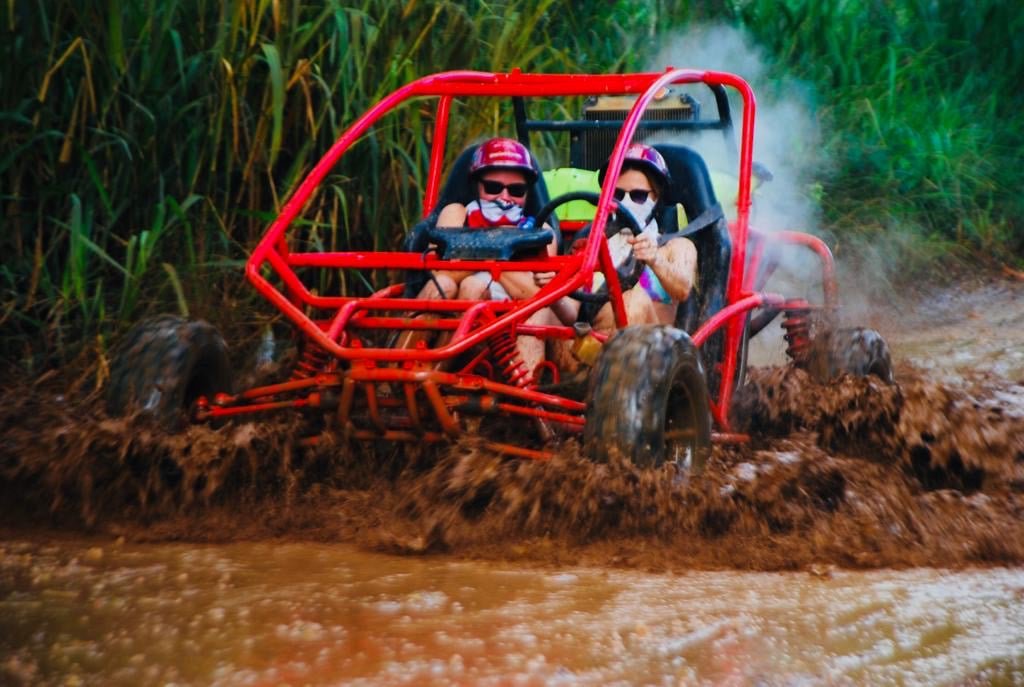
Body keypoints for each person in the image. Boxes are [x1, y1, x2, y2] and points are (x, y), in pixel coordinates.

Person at [413, 137, 559, 380]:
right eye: (493, 187)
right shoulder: (458, 213)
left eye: (516, 190)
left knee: (473, 286)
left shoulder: (540, 230)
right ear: (477, 186)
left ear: (527, 193)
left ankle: (432, 375)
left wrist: (474, 254)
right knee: (444, 286)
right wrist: (501, 255)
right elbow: (440, 273)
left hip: (512, 316)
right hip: (457, 308)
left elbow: (538, 295)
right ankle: (398, 369)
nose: (504, 198)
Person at [541, 143, 698, 333]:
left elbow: (682, 289)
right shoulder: (591, 245)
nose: (625, 203)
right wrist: (553, 294)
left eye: (638, 196)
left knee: (632, 300)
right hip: (595, 342)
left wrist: (655, 259)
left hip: (653, 345)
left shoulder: (676, 246)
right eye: (617, 194)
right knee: (542, 311)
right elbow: (572, 315)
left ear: (656, 196)